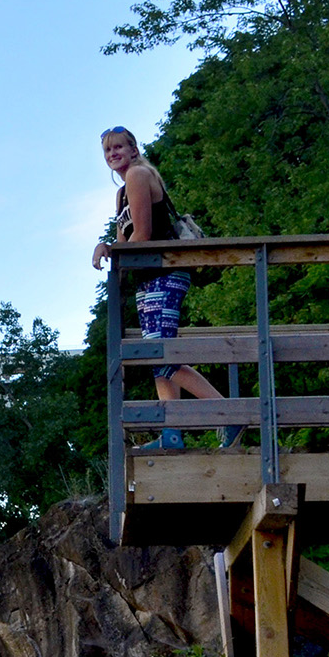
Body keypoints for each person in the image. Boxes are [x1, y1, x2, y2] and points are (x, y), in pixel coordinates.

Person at [90, 126, 238, 449]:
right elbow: (125, 242)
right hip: (147, 279)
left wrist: (115, 253)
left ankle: (229, 414)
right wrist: (107, 247)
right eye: (107, 151)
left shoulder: (139, 176)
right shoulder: (121, 194)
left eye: (118, 148)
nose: (113, 154)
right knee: (158, 357)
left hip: (164, 273)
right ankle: (172, 434)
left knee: (163, 355)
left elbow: (141, 236)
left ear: (132, 149)